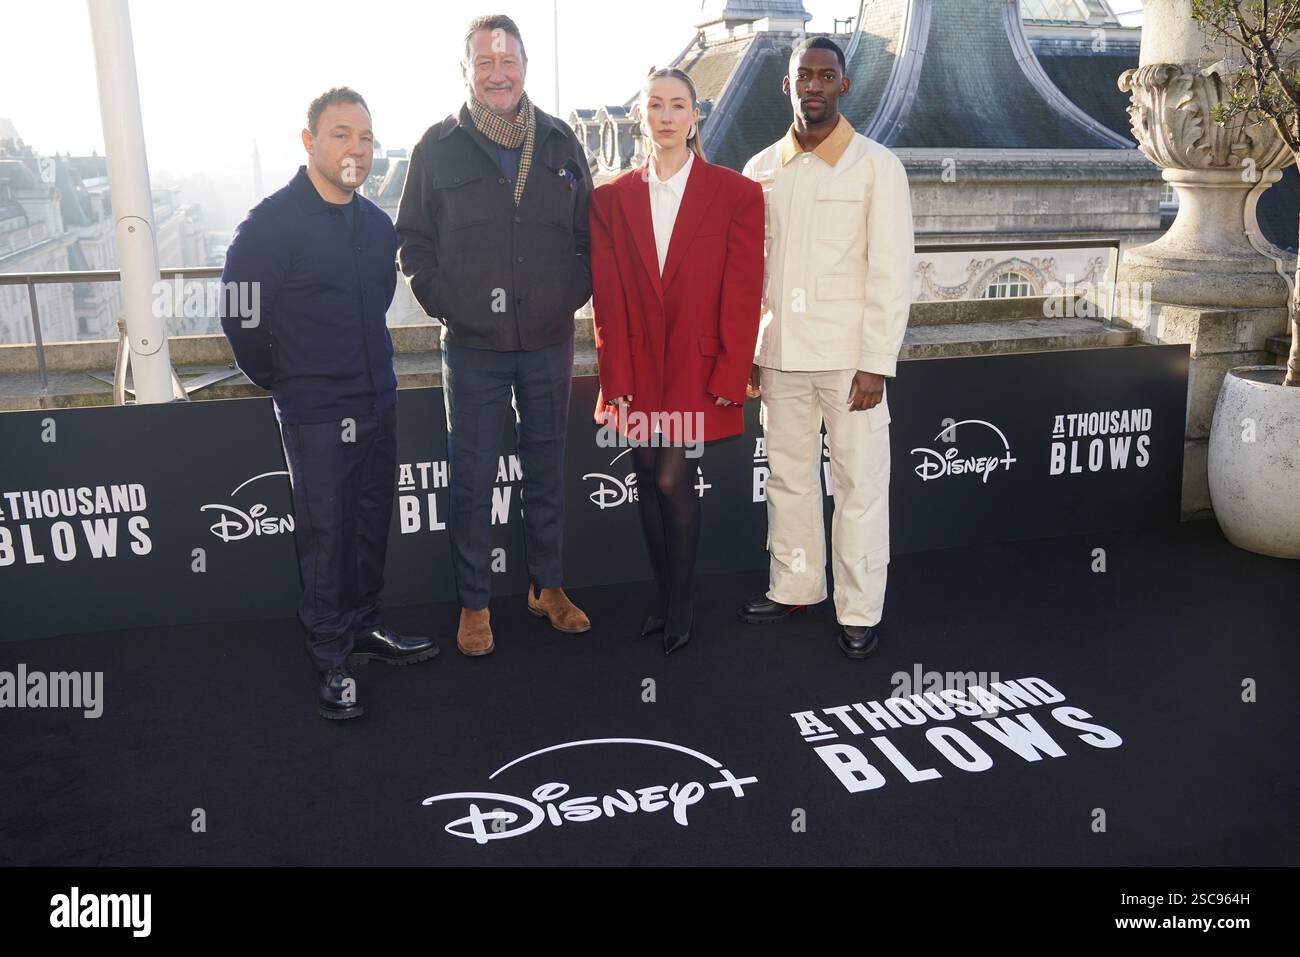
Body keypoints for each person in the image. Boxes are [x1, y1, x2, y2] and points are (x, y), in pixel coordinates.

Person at [221, 87, 438, 721]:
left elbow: (374, 302)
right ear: (310, 141)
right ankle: (330, 657)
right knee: (327, 534)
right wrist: (287, 379)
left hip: (378, 397)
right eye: (342, 134)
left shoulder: (375, 225)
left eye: (366, 138)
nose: (357, 149)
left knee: (371, 522)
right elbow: (241, 320)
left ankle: (365, 629)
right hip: (314, 409)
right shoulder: (267, 226)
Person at [396, 14, 594, 657]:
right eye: (485, 63)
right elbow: (413, 242)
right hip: (472, 347)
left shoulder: (563, 143)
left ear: (526, 68)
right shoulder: (436, 147)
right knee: (472, 478)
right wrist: (448, 303)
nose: (498, 73)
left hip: (547, 340)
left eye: (508, 62)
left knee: (547, 468)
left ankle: (548, 587)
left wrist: (568, 296)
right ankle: (475, 604)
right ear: (466, 72)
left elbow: (590, 241)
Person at [738, 37, 914, 659]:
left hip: (850, 364)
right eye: (802, 75)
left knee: (859, 485)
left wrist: (876, 363)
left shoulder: (877, 167)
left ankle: (859, 608)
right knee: (787, 480)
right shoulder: (758, 171)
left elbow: (892, 273)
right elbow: (747, 276)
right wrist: (749, 353)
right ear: (786, 86)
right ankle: (794, 586)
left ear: (843, 85)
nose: (813, 84)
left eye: (826, 75)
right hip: (779, 357)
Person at [590, 68, 763, 655]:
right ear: (642, 114)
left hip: (695, 366)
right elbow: (608, 298)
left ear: (696, 115)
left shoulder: (736, 193)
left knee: (670, 476)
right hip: (637, 370)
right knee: (645, 477)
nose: (666, 116)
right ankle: (663, 596)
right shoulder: (610, 199)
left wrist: (730, 374)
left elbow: (743, 292)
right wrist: (614, 377)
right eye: (656, 105)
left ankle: (682, 599)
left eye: (678, 105)